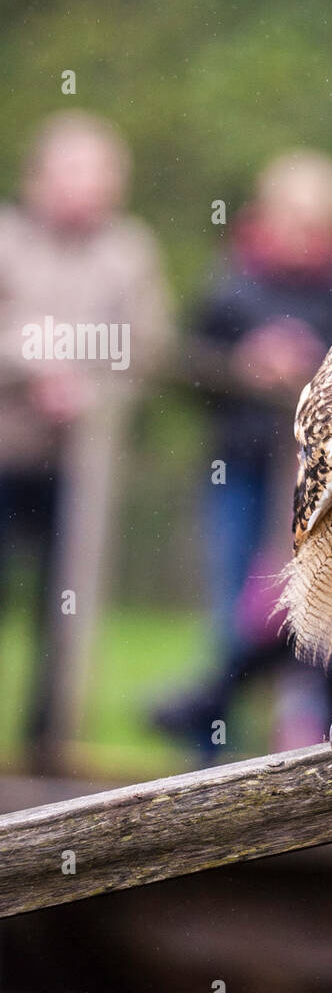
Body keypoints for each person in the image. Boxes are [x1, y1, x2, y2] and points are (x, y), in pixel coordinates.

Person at [154, 150, 332, 758]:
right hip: (238, 470)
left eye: (313, 220)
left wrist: (313, 367)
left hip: (321, 484)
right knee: (234, 607)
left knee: (310, 616)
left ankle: (302, 755)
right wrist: (244, 366)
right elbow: (187, 372)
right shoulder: (229, 286)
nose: (300, 233)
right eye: (290, 217)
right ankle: (209, 754)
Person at [0, 110, 171, 761]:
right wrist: (32, 364)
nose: (85, 188)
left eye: (98, 174)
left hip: (79, 462)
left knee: (65, 606)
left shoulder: (130, 253)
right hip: (5, 449)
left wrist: (88, 391)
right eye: (73, 172)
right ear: (41, 175)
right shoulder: (8, 238)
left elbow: (147, 349)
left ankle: (47, 741)